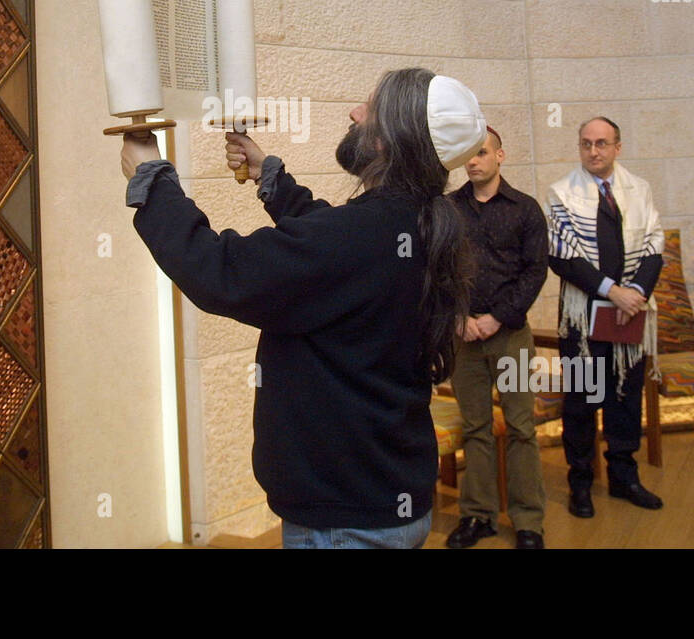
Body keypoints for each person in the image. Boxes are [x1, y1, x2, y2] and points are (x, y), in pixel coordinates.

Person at [120, 68, 486, 548]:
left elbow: (221, 272)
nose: (354, 113)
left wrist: (152, 180)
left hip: (344, 520)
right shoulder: (418, 220)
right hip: (384, 496)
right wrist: (268, 175)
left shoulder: (363, 235)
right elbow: (333, 250)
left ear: (391, 140)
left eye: (369, 107)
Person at [546, 117, 664, 518]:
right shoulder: (562, 193)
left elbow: (654, 246)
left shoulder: (640, 190)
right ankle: (580, 481)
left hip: (629, 313)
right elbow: (563, 256)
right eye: (585, 144)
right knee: (581, 399)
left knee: (625, 397)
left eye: (601, 143)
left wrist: (636, 294)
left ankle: (624, 478)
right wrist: (613, 292)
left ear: (618, 146)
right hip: (583, 318)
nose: (593, 151)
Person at [444, 126, 549, 549]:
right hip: (462, 337)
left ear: (500, 156)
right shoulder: (447, 210)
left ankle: (528, 522)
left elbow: (535, 270)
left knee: (522, 427)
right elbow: (437, 270)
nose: (474, 161)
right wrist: (458, 318)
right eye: (468, 154)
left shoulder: (525, 209)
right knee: (476, 428)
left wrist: (496, 319)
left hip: (509, 336)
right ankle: (478, 516)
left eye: (482, 153)